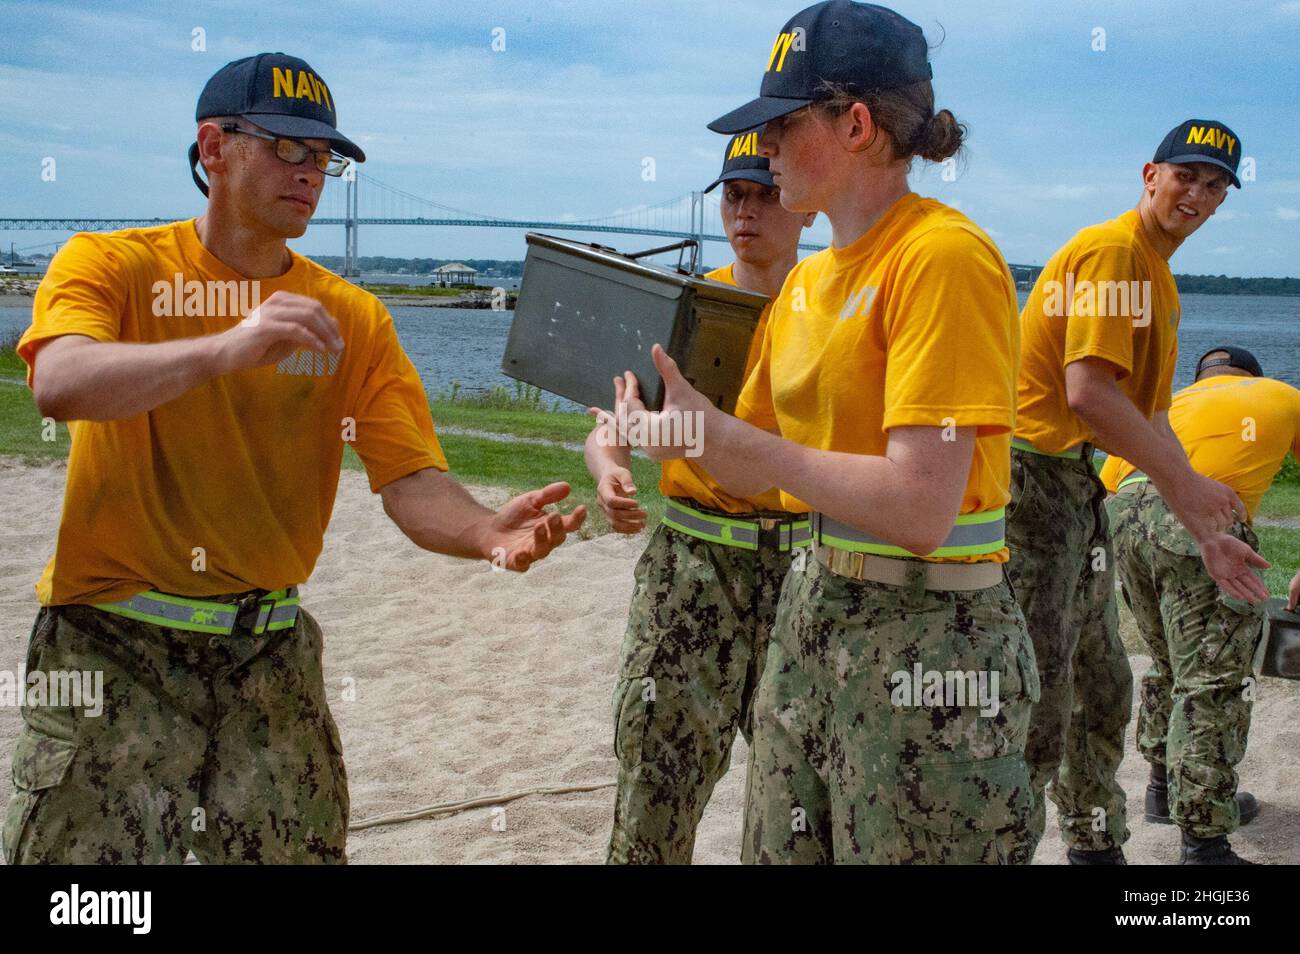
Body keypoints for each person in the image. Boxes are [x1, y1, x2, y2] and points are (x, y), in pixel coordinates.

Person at [2, 53, 585, 865]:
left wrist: (486, 532)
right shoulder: (114, 266)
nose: (311, 173)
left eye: (323, 159)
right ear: (213, 148)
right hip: (110, 648)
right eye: (286, 148)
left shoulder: (352, 317)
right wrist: (226, 347)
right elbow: (60, 383)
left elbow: (410, 479)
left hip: (268, 655)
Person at [597, 0, 1035, 864]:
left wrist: (723, 441)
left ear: (858, 125)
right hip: (814, 609)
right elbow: (751, 464)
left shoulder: (941, 258)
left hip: (931, 633)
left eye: (782, 126)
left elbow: (919, 508)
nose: (760, 151)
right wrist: (663, 436)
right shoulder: (807, 288)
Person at [1006, 118, 1266, 865]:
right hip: (1030, 483)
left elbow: (1149, 413)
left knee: (1102, 685)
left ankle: (1092, 848)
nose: (1199, 193)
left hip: (1075, 488)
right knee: (1043, 699)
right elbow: (1087, 393)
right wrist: (1185, 486)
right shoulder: (1118, 252)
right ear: (1149, 174)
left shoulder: (1157, 275)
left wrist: (1205, 527)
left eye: (1216, 185)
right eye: (1186, 175)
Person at [589, 134, 814, 864]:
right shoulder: (682, 312)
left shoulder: (834, 313)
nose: (746, 211)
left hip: (806, 571)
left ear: (803, 204)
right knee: (657, 793)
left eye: (765, 193)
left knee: (802, 811)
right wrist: (609, 472)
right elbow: (610, 426)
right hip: (693, 571)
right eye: (733, 195)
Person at [1101, 346, 1300, 863]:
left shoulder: (1168, 404)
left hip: (1126, 519)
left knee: (1170, 665)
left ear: (1202, 378)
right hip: (1199, 520)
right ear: (1253, 376)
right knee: (1213, 682)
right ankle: (1205, 843)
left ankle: (1164, 789)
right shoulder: (1280, 394)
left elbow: (1107, 490)